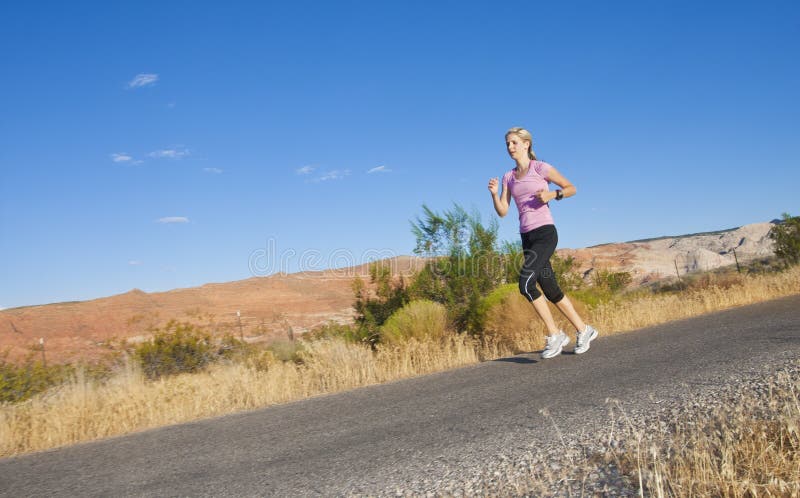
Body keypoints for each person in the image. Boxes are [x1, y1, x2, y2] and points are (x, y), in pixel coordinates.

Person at [488, 127, 598, 359]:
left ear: (526, 144)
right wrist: (494, 194)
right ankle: (584, 330)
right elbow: (503, 212)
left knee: (525, 284)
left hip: (545, 233)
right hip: (526, 237)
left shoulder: (541, 168)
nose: (510, 147)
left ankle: (554, 334)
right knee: (550, 288)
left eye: (514, 143)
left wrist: (552, 195)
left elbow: (571, 188)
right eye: (507, 144)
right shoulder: (508, 177)